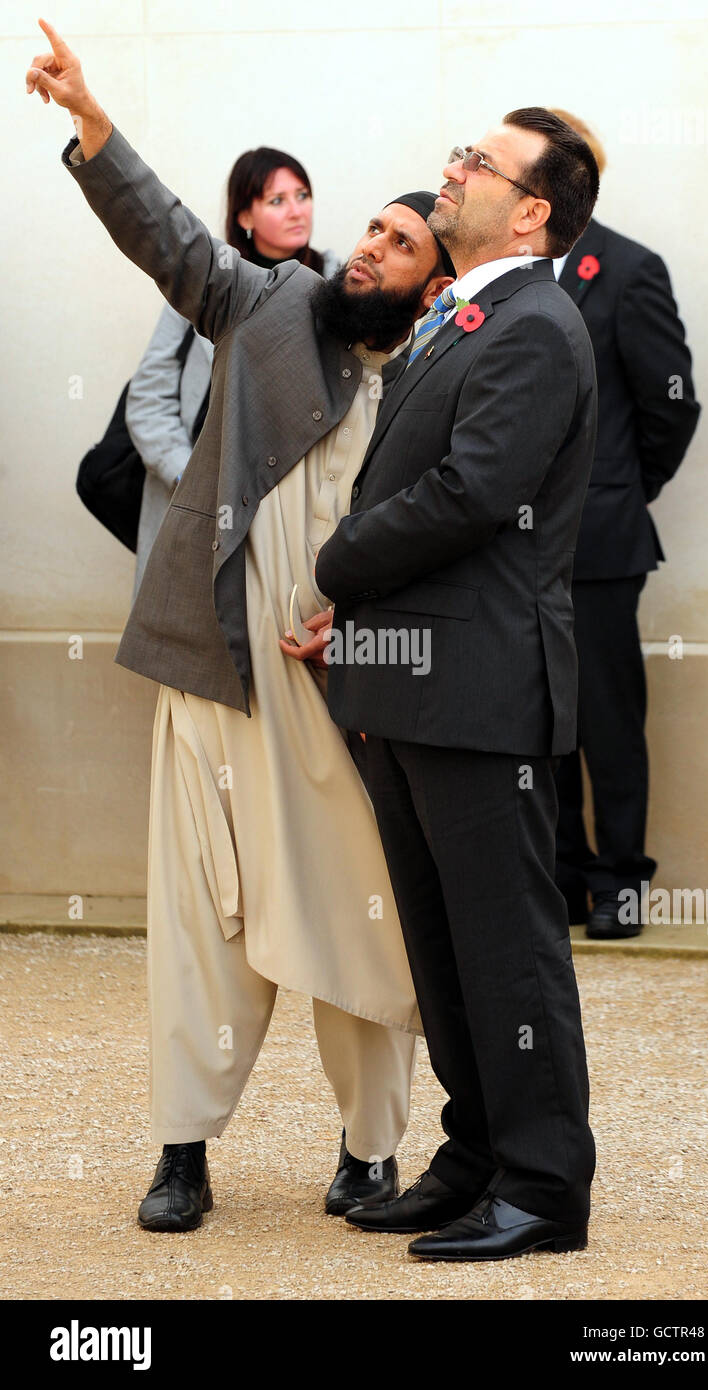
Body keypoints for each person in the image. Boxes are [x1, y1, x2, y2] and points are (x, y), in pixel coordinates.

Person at [25, 18, 455, 1232]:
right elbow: (168, 239)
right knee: (196, 923)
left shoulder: (437, 382)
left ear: (434, 279)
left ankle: (371, 1150)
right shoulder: (272, 305)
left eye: (394, 239)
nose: (362, 245)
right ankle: (181, 1153)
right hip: (217, 684)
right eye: (363, 226)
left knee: (357, 926)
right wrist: (95, 126)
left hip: (341, 704)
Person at [315, 110, 601, 1261]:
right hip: (415, 683)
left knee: (504, 943)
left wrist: (338, 559)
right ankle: (475, 1152)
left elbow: (476, 490)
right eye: (460, 153)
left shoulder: (536, 323)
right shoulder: (472, 308)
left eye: (478, 164)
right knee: (439, 944)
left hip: (483, 688)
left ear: (532, 208)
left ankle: (540, 1183)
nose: (453, 168)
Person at [544, 110, 701, 941]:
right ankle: (564, 876)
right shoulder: (512, 272)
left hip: (602, 544)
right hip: (523, 547)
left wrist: (620, 490)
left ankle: (621, 882)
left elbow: (670, 406)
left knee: (607, 719)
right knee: (546, 722)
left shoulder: (630, 268)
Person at [129, 148, 339, 598]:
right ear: (245, 214)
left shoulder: (338, 284)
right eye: (277, 200)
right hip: (205, 502)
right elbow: (149, 398)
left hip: (298, 508)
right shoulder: (207, 285)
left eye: (302, 195)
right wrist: (191, 480)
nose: (297, 210)